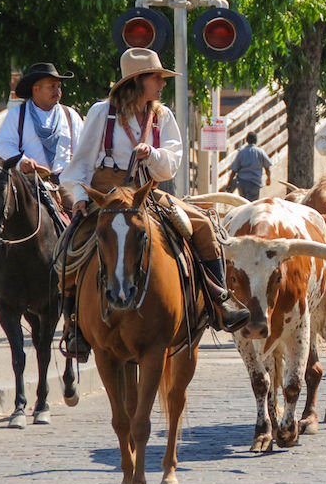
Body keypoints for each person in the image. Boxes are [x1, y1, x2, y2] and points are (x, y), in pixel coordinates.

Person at [58, 47, 250, 361]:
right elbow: (79, 165)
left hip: (147, 193)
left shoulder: (163, 116)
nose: (162, 83)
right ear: (137, 81)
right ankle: (75, 325)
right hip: (106, 197)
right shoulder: (101, 113)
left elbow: (171, 163)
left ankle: (220, 301)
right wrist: (80, 199)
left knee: (201, 226)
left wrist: (154, 154)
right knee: (68, 249)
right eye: (156, 77)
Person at [0, 63, 83, 298]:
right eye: (52, 86)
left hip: (63, 183)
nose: (57, 91)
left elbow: (83, 150)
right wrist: (22, 163)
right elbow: (5, 146)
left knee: (84, 218)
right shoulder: (16, 116)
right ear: (35, 89)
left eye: (58, 87)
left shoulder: (71, 116)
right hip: (26, 182)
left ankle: (85, 273)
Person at [225, 131, 272, 201]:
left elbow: (234, 170)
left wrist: (229, 183)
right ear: (256, 140)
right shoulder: (260, 152)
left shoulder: (241, 152)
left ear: (247, 141)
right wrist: (268, 179)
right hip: (254, 183)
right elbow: (267, 167)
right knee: (252, 204)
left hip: (242, 183)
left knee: (243, 202)